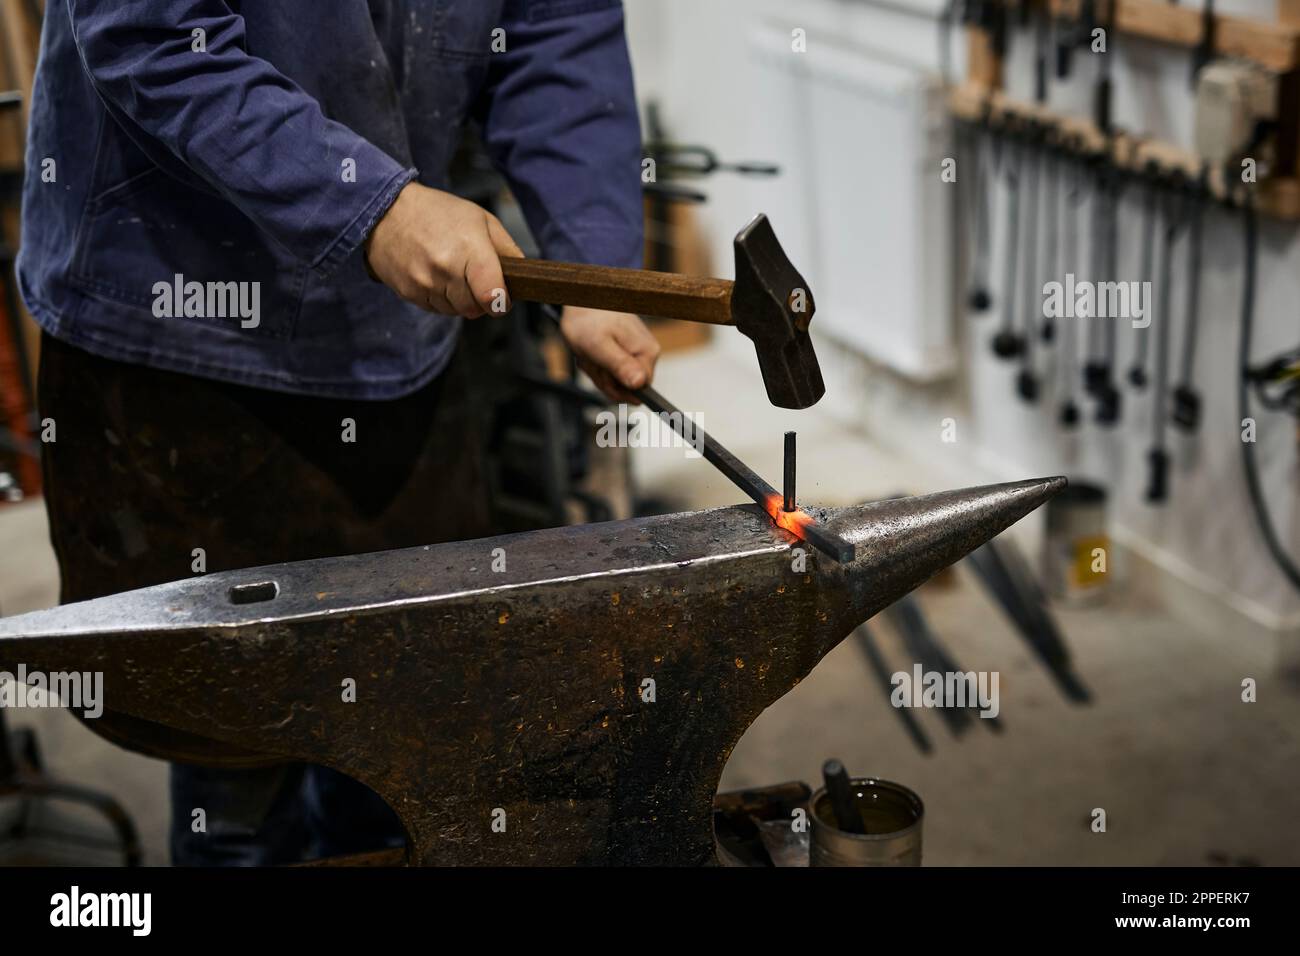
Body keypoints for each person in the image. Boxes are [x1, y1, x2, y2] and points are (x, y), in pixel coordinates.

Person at [17, 0, 658, 865]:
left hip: (396, 340)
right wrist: (373, 209)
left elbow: (554, 25)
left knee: (403, 756)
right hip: (182, 326)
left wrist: (593, 257)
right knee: (239, 782)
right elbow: (152, 36)